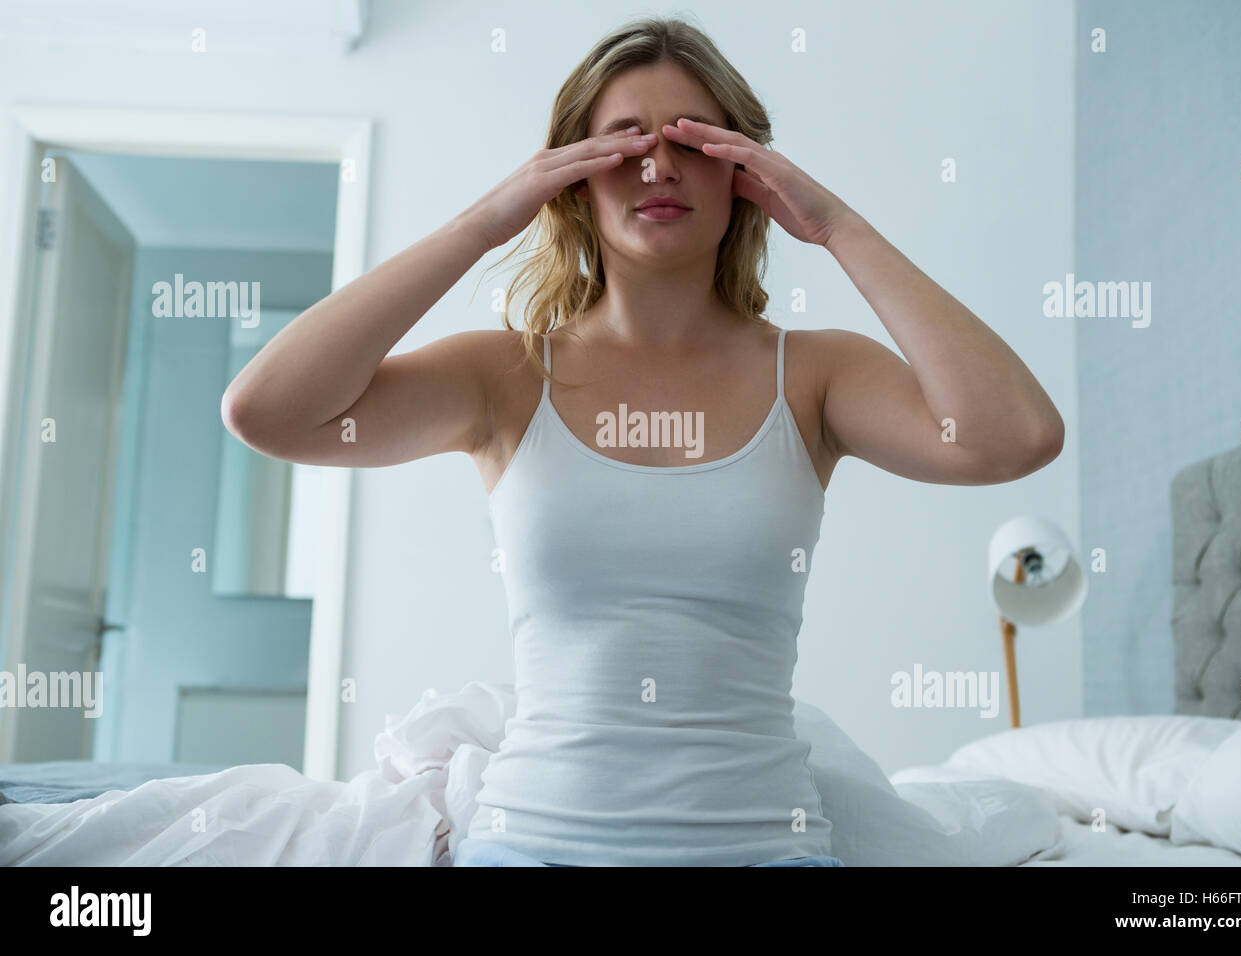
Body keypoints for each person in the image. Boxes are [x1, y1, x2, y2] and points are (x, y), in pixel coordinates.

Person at [221, 17, 1064, 867]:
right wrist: (484, 222)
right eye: (624, 144)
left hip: (767, 852)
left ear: (745, 172)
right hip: (532, 846)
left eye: (693, 143)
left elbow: (1015, 438)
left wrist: (837, 226)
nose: (659, 166)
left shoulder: (814, 375)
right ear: (572, 177)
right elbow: (267, 413)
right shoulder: (506, 375)